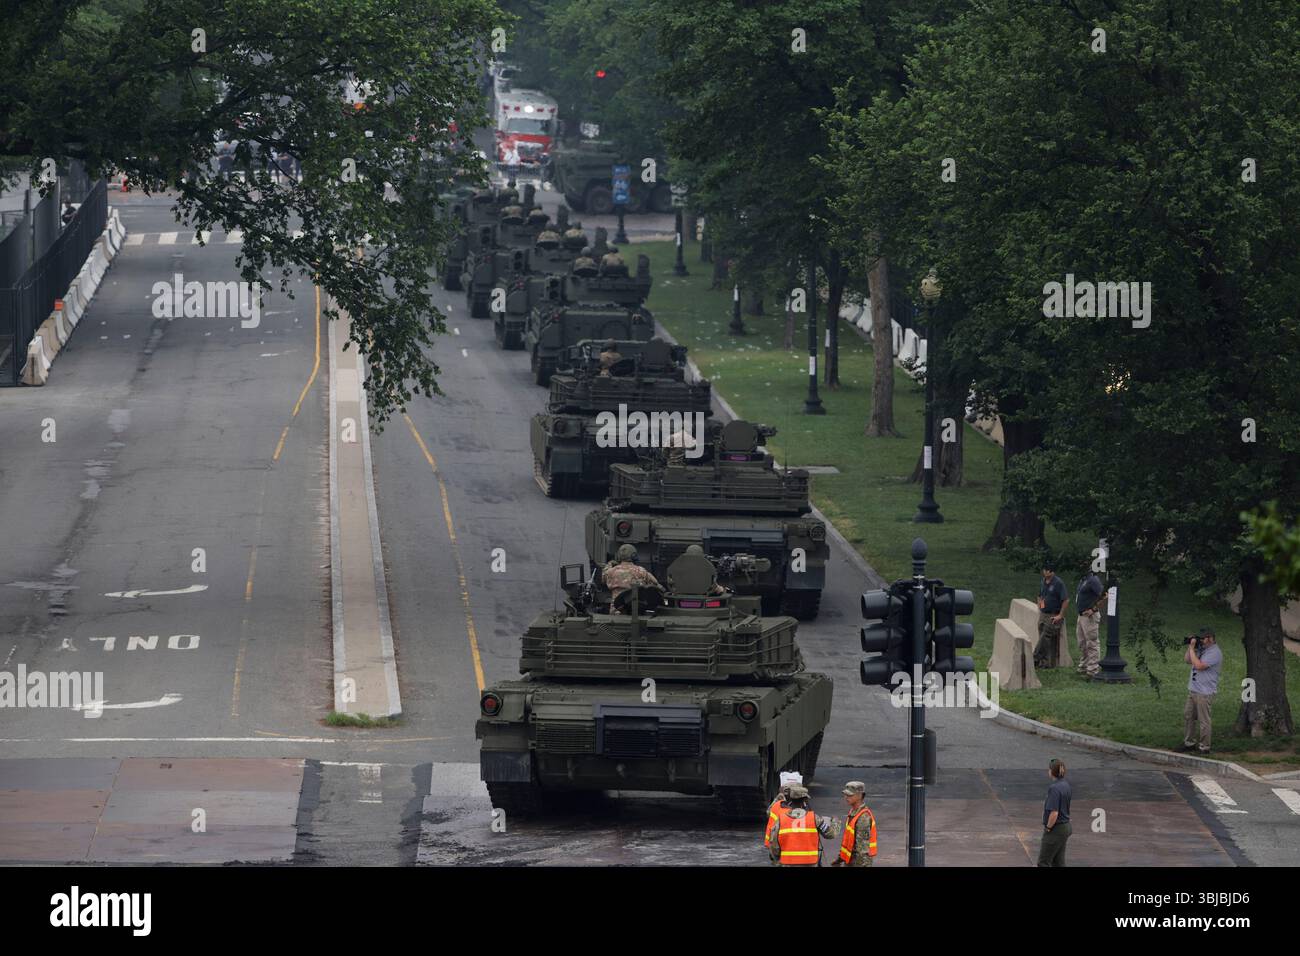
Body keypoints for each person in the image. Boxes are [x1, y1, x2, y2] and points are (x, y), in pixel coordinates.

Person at [770, 784, 836, 866]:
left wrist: (777, 858)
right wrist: (835, 822)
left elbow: (774, 846)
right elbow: (830, 834)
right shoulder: (814, 818)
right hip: (810, 863)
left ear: (791, 799)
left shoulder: (781, 820)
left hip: (788, 863)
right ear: (805, 801)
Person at [1180, 627, 1222, 754]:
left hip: (1205, 692)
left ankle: (1204, 747)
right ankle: (1189, 744)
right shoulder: (1202, 649)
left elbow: (1199, 666)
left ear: (1210, 639)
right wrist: (1190, 647)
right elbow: (1188, 660)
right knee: (1188, 716)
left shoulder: (1215, 652)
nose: (1201, 640)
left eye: (1203, 638)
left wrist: (1193, 648)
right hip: (1193, 690)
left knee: (1204, 721)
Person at [601, 544, 660, 611]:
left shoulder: (611, 571)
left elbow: (603, 578)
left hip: (616, 611)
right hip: (635, 612)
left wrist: (609, 564)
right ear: (634, 556)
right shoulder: (641, 571)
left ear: (619, 556)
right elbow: (655, 583)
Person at [832, 781, 878, 867]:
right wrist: (840, 859)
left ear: (860, 795)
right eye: (845, 794)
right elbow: (849, 841)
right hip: (851, 860)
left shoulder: (863, 817)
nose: (846, 797)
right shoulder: (853, 812)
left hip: (859, 862)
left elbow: (863, 850)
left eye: (850, 795)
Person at [1034, 561, 1069, 669]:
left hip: (1054, 614)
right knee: (1042, 637)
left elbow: (1066, 600)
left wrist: (1060, 615)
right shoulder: (1043, 581)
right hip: (1043, 613)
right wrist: (1040, 604)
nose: (1043, 572)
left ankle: (1034, 658)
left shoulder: (1058, 583)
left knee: (1046, 635)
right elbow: (1040, 595)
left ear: (1050, 571)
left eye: (1045, 570)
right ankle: (1045, 663)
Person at [1038, 758, 1072, 867]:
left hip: (1056, 829)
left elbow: (1054, 813)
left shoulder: (1054, 788)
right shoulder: (1066, 785)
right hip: (1065, 827)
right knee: (1058, 862)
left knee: (1043, 862)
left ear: (1052, 771)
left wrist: (1048, 828)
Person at [1074, 564, 1104, 679]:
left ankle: (1093, 670)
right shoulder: (1083, 580)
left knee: (1091, 642)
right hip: (1081, 616)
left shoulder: (1093, 580)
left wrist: (1093, 609)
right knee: (1082, 642)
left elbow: (1104, 595)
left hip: (1090, 616)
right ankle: (1084, 666)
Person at [764, 771, 802, 851]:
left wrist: (777, 799)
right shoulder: (799, 809)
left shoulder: (776, 805)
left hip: (775, 844)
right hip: (788, 845)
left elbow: (768, 813)